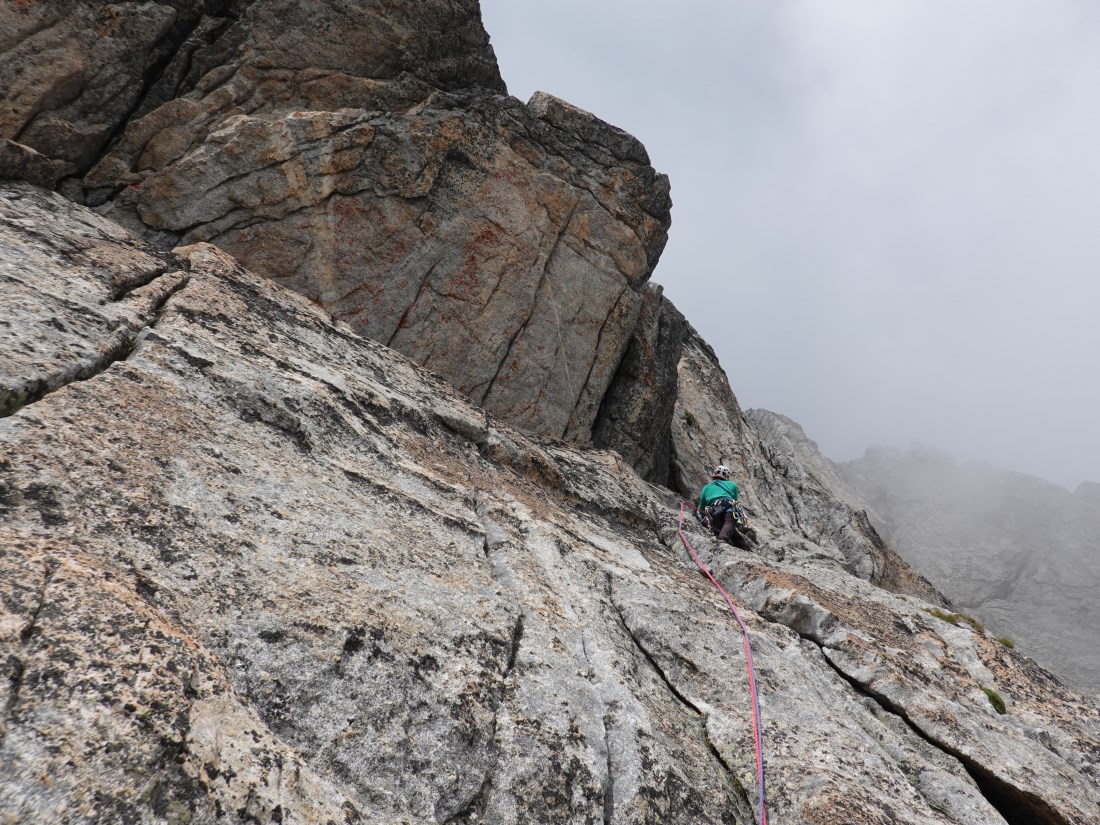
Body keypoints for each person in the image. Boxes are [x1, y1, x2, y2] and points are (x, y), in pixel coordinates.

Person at [697, 464, 740, 543]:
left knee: (718, 522)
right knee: (729, 522)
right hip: (729, 506)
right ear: (726, 476)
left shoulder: (706, 487)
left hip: (713, 510)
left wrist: (704, 518)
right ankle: (723, 539)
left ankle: (719, 532)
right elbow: (735, 500)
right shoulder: (732, 484)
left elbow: (702, 507)